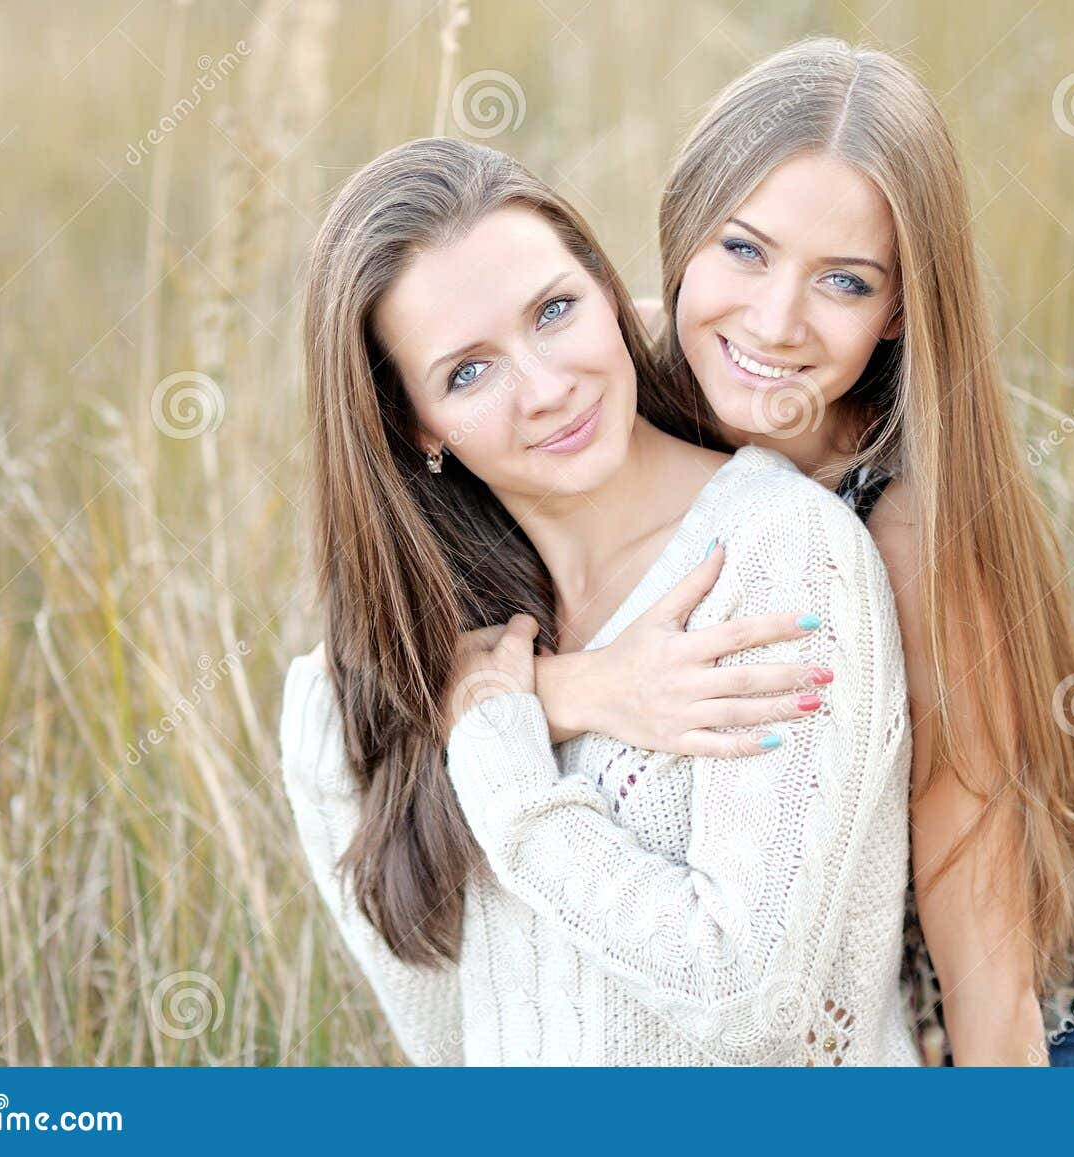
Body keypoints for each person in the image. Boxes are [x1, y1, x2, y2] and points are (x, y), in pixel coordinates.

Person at [528, 37, 1074, 1066]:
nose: (774, 321)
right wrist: (580, 689)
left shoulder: (907, 531)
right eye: (744, 249)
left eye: (844, 281)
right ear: (684, 229)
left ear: (900, 307)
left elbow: (989, 973)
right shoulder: (607, 380)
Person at [279, 136, 919, 1065]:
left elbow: (754, 1000)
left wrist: (508, 774)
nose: (547, 388)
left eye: (554, 310)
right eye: (468, 372)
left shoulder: (778, 556)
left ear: (610, 295)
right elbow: (453, 1047)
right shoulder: (362, 705)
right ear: (415, 425)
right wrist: (546, 697)